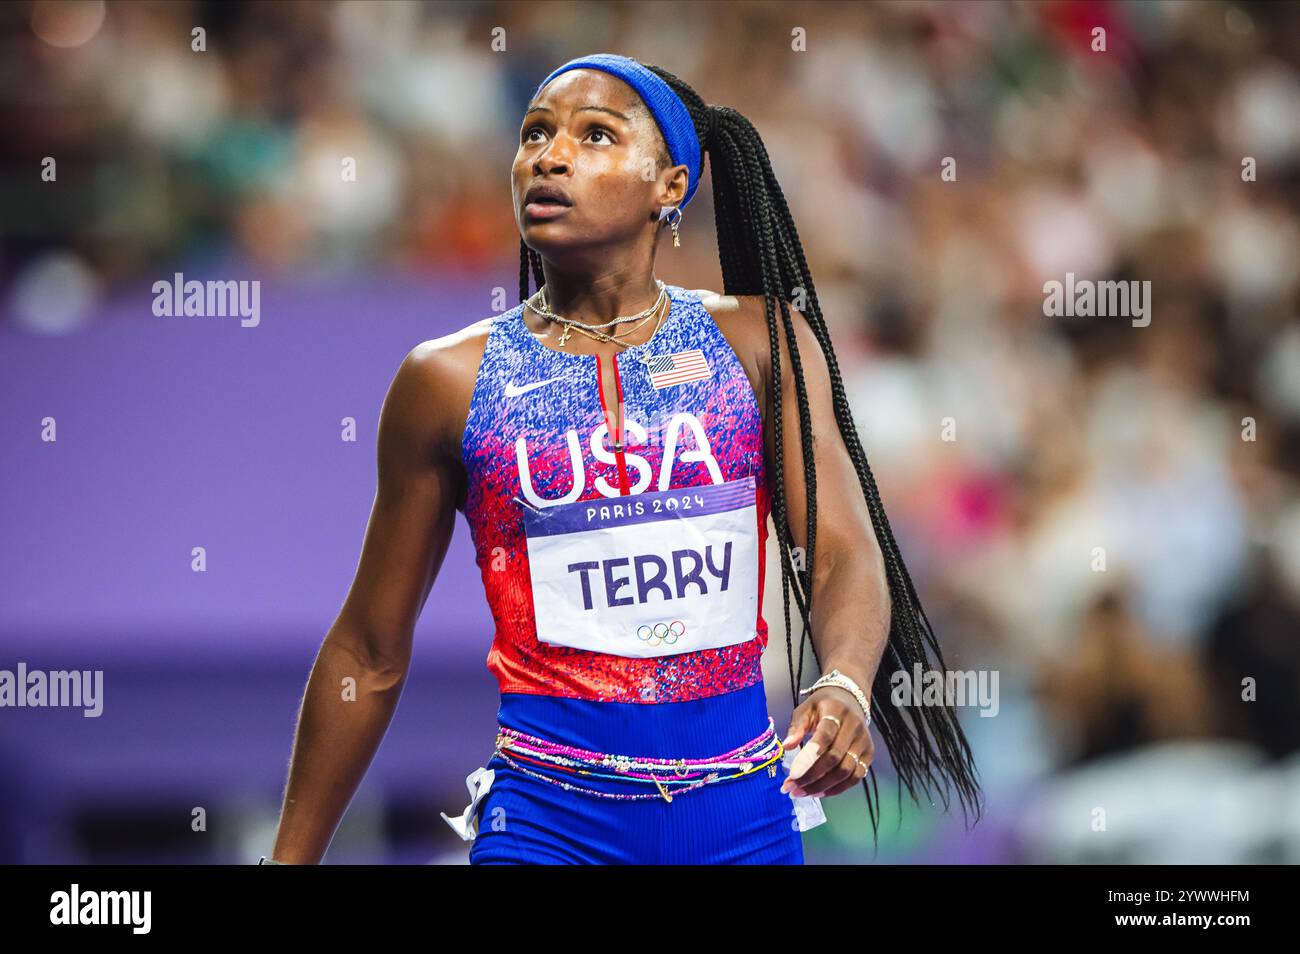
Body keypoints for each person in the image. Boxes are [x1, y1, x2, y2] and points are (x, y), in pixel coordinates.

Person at [263, 53, 981, 866]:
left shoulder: (760, 343)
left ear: (669, 185)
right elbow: (367, 650)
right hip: (547, 825)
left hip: (740, 820)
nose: (549, 156)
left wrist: (845, 678)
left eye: (596, 135)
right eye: (534, 134)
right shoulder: (447, 381)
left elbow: (841, 550)